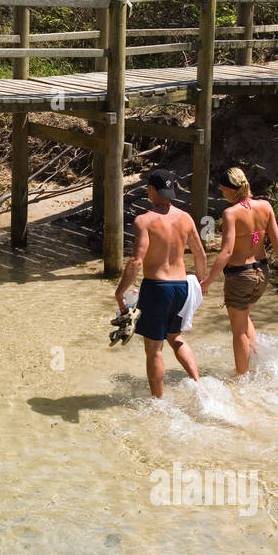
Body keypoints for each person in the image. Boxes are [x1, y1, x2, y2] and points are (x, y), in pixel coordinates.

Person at [115, 170, 208, 398]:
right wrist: (201, 283)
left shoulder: (144, 221)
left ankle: (158, 401)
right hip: (182, 288)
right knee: (175, 337)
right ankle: (199, 385)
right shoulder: (185, 218)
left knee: (154, 350)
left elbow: (136, 261)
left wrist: (120, 292)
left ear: (152, 189)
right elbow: (201, 254)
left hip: (157, 289)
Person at [199, 167, 278, 375]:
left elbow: (226, 252)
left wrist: (207, 281)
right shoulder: (266, 206)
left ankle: (241, 378)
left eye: (223, 190)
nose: (222, 194)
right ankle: (257, 363)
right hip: (263, 273)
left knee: (238, 331)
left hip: (240, 276)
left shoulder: (231, 213)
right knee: (244, 317)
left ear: (230, 190)